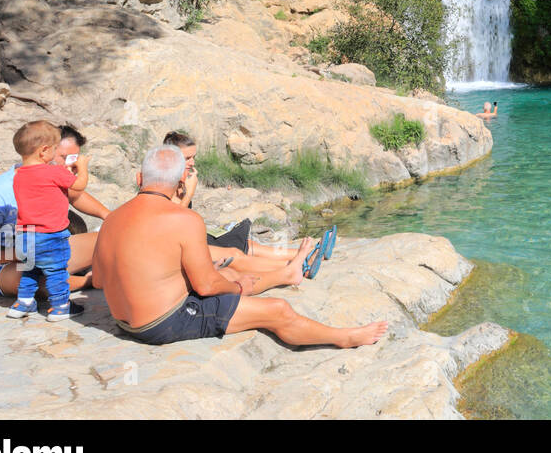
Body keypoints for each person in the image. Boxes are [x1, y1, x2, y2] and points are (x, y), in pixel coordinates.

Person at [93, 146, 388, 348]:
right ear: (181, 182)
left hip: (124, 321)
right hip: (161, 324)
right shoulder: (185, 219)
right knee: (277, 309)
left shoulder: (112, 219)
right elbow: (207, 286)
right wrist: (237, 288)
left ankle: (287, 273)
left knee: (228, 275)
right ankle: (344, 337)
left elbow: (101, 279)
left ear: (139, 178)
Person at [0, 124, 108, 300]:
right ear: (45, 152)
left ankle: (87, 276)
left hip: (44, 250)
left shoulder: (49, 178)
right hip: (2, 266)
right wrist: (19, 255)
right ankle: (89, 281)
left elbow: (76, 196)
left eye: (74, 157)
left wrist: (110, 217)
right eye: (64, 157)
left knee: (112, 237)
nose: (72, 163)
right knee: (32, 280)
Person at [161, 130, 325, 279]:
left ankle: (305, 254)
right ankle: (297, 266)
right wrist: (189, 194)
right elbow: (170, 227)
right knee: (234, 253)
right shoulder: (163, 185)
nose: (193, 163)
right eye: (187, 158)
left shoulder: (181, 181)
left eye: (194, 157)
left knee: (244, 242)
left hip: (191, 239)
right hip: (179, 249)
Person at [8, 121, 90, 321]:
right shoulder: (53, 172)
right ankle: (61, 306)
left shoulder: (18, 175)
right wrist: (83, 167)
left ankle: (23, 302)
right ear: (44, 151)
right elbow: (79, 186)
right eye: (55, 150)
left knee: (30, 270)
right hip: (51, 236)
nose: (55, 155)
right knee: (57, 273)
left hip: (24, 236)